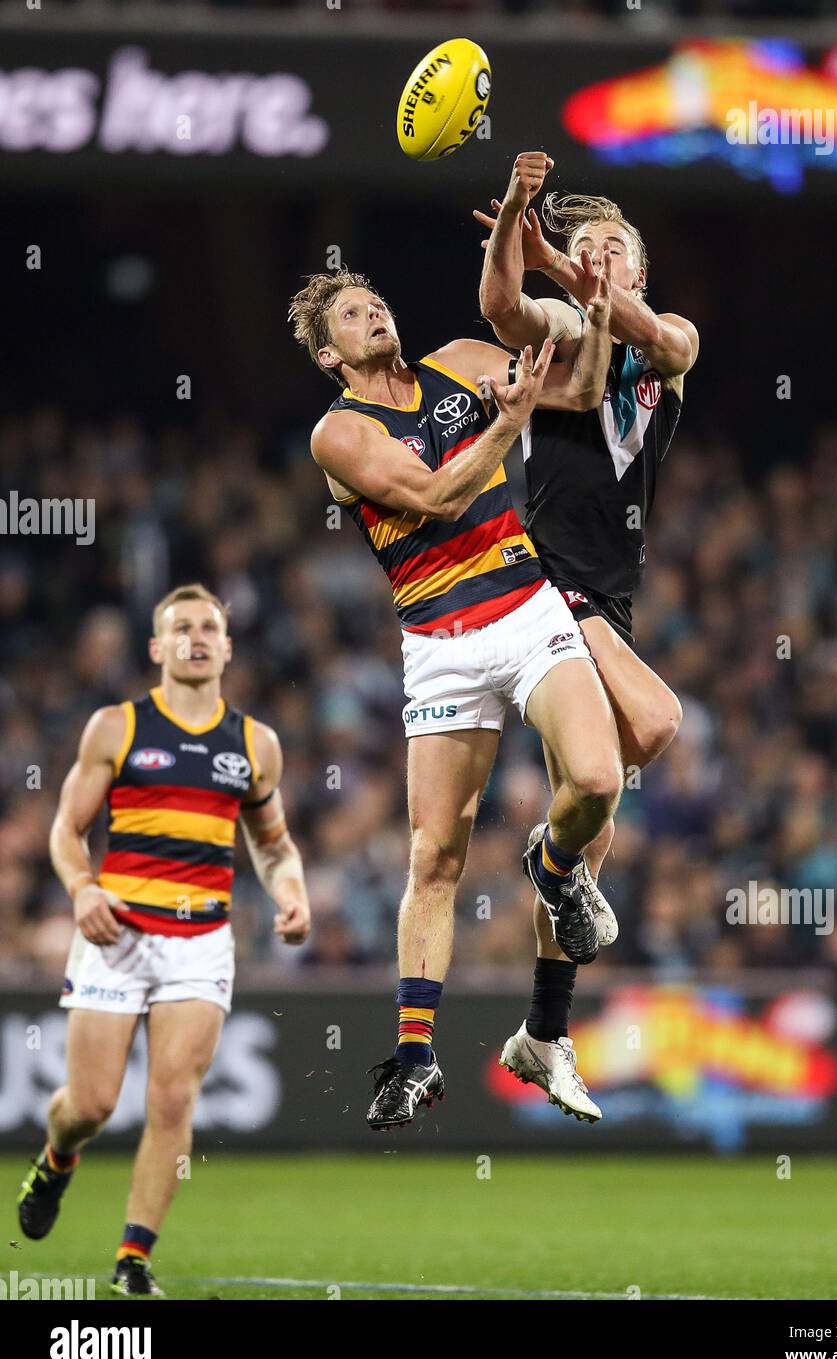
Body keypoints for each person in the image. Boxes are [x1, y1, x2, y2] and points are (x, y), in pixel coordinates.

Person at [289, 263, 621, 1130]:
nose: (375, 315)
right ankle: (413, 1059)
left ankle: (550, 867)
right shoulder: (339, 434)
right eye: (354, 315)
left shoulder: (467, 360)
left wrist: (593, 306)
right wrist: (507, 426)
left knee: (597, 782)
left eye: (378, 301)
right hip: (439, 644)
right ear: (331, 354)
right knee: (434, 856)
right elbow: (434, 497)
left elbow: (581, 394)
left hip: (525, 605)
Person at [475, 152, 699, 1121]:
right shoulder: (561, 339)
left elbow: (666, 345)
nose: (599, 256)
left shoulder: (668, 336)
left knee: (591, 827)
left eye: (617, 248)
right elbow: (501, 310)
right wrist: (514, 236)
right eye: (585, 245)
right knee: (653, 725)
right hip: (539, 582)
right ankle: (547, 865)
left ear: (639, 270)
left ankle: (543, 1030)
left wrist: (578, 269)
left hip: (608, 597)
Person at [17, 584, 310, 1295]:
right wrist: (83, 887)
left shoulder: (254, 744)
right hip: (116, 933)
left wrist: (291, 891)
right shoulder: (114, 729)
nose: (196, 637)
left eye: (210, 626)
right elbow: (65, 830)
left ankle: (133, 1259)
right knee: (89, 1106)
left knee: (174, 1101)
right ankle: (58, 1158)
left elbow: (272, 846)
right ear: (156, 648)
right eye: (181, 628)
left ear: (228, 647)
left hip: (201, 939)